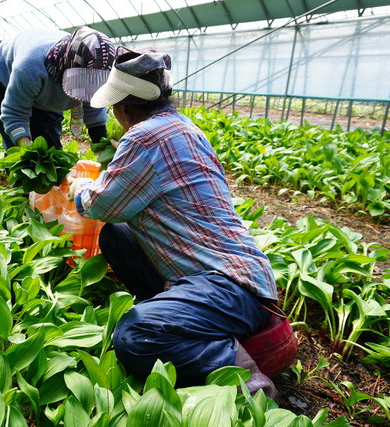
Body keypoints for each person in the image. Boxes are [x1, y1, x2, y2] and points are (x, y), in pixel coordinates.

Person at [68, 46, 280, 397]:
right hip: (241, 276)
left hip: (227, 286)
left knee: (135, 335)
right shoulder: (185, 128)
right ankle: (175, 313)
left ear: (124, 106)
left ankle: (250, 384)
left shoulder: (143, 136)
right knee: (118, 236)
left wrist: (81, 186)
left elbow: (102, 204)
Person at [0, 26, 115, 150]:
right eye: (80, 84)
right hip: (3, 77)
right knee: (16, 147)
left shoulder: (95, 68)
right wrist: (29, 152)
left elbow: (94, 111)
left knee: (50, 142)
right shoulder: (30, 67)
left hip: (42, 85)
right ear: (67, 67)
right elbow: (14, 114)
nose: (84, 92)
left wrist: (101, 144)